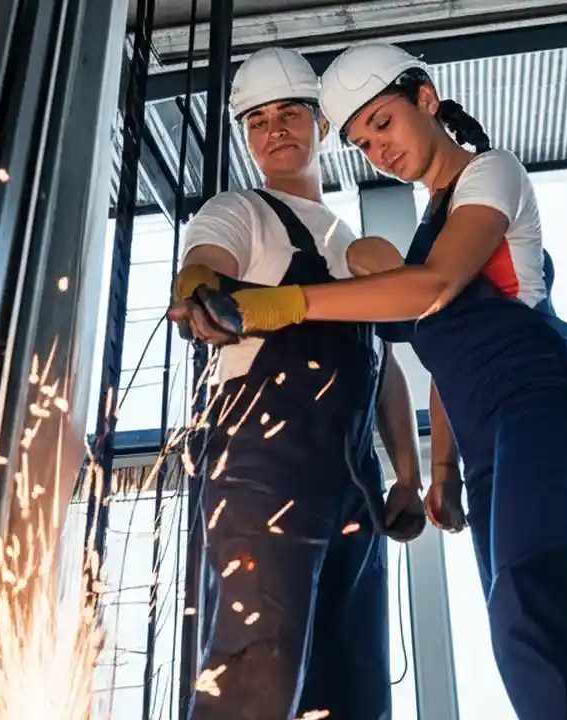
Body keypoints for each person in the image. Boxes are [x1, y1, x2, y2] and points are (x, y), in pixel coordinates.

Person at [197, 43, 567, 720]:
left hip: (543, 393)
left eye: (383, 123)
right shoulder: (422, 238)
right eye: (362, 141)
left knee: (540, 592)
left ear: (426, 102)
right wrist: (442, 472)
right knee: (513, 619)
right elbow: (443, 360)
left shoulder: (489, 175)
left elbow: (433, 291)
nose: (378, 149)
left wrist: (287, 302)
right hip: (487, 430)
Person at [167, 47, 425, 720]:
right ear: (246, 138)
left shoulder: (349, 241)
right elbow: (203, 267)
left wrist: (406, 473)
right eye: (258, 121)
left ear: (321, 124)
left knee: (354, 688)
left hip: (354, 481)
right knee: (259, 663)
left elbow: (385, 366)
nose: (275, 129)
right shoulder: (239, 211)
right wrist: (199, 298)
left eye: (290, 114)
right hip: (262, 461)